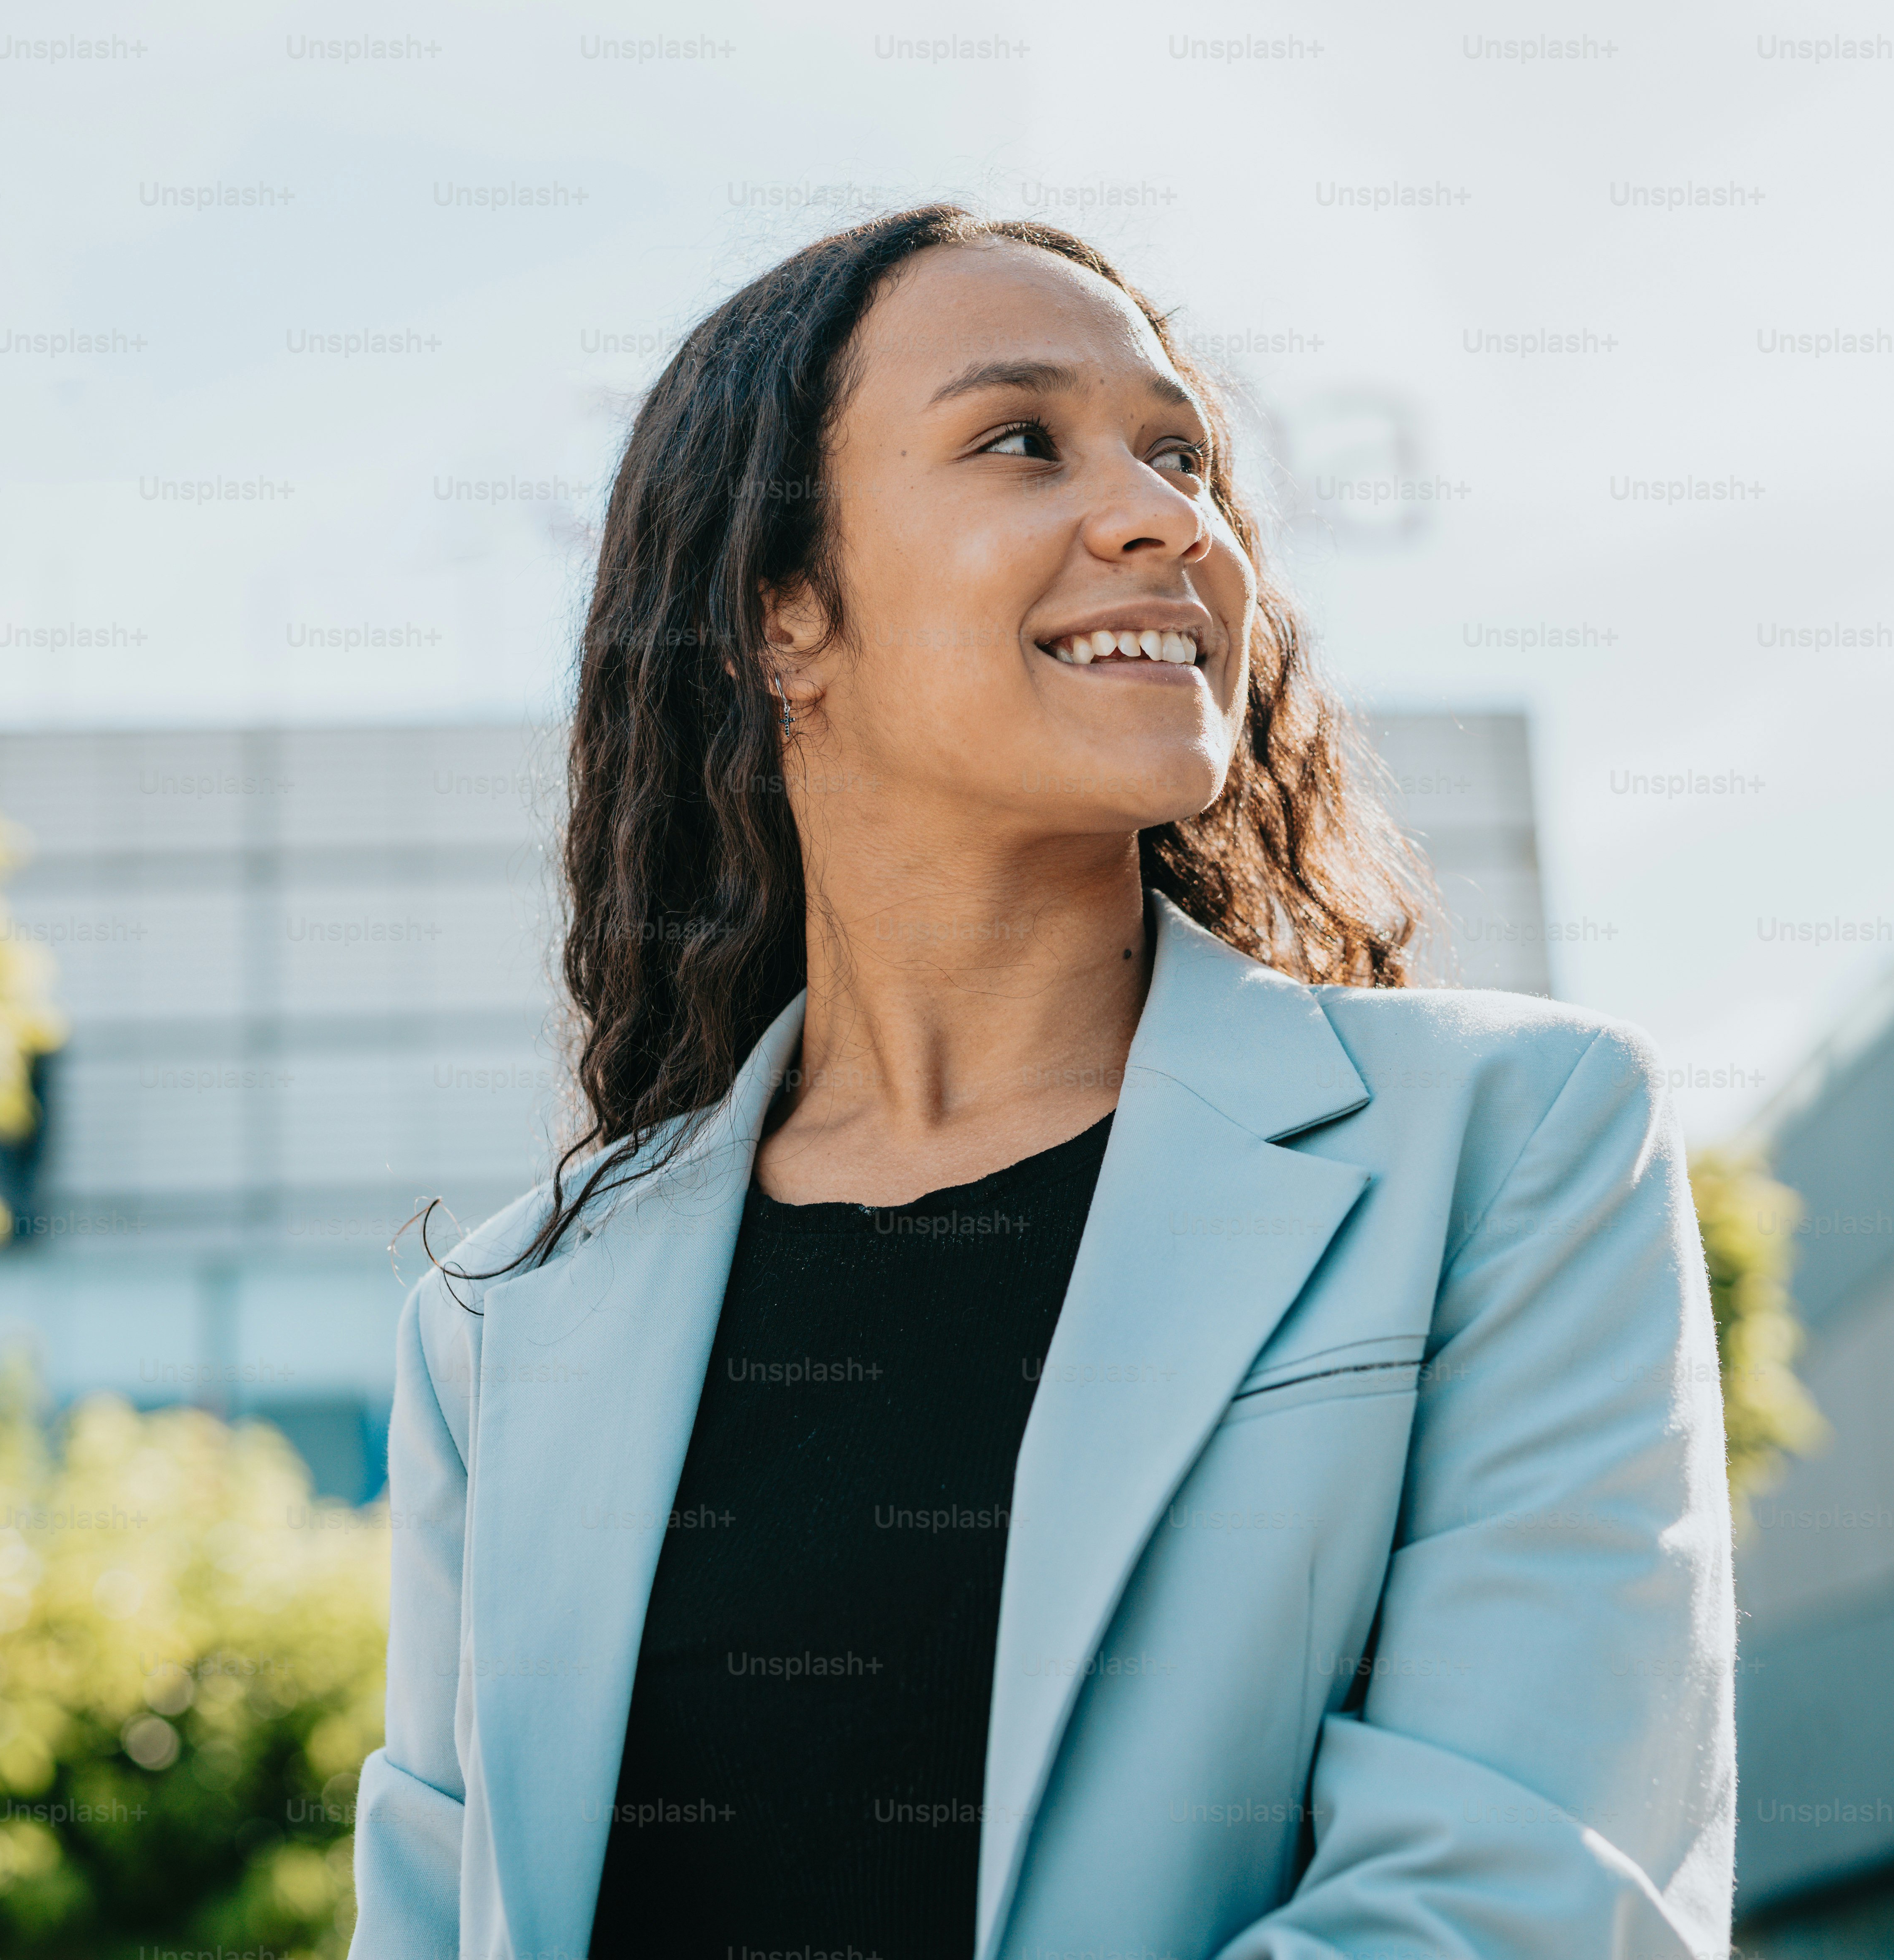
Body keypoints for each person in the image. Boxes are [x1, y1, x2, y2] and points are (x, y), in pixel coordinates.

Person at [348, 203, 1734, 1960]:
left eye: (1184, 456)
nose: (1172, 519)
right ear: (781, 618)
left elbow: (1519, 1904)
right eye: (1022, 441)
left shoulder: (1517, 1143)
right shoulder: (506, 1317)